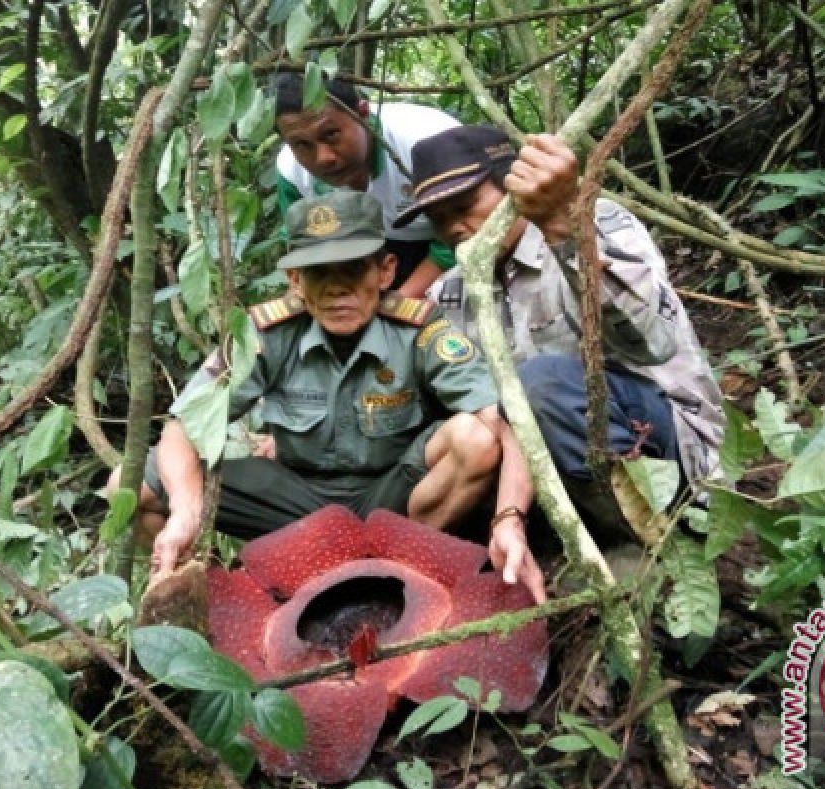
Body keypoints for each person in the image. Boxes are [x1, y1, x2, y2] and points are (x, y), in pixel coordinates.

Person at [111, 190, 546, 603]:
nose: (337, 289)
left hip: (394, 497)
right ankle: (230, 606)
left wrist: (510, 519)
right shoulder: (265, 335)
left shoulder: (419, 330)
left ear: (385, 271)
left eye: (353, 269)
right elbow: (184, 427)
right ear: (295, 280)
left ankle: (398, 577)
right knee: (129, 488)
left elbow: (504, 420)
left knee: (475, 436)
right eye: (320, 273)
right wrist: (187, 512)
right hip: (296, 500)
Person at [394, 125, 726, 564]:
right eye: (438, 218)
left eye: (465, 206)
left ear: (514, 188)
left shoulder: (597, 222)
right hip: (547, 472)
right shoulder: (452, 293)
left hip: (664, 442)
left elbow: (654, 342)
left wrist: (565, 232)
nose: (454, 227)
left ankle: (648, 541)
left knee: (540, 383)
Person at [273, 72, 459, 298]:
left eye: (331, 134)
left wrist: (396, 304)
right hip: (358, 252)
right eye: (302, 145)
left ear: (362, 113)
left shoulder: (428, 142)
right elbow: (302, 245)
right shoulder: (291, 169)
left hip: (446, 246)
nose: (323, 158)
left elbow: (464, 232)